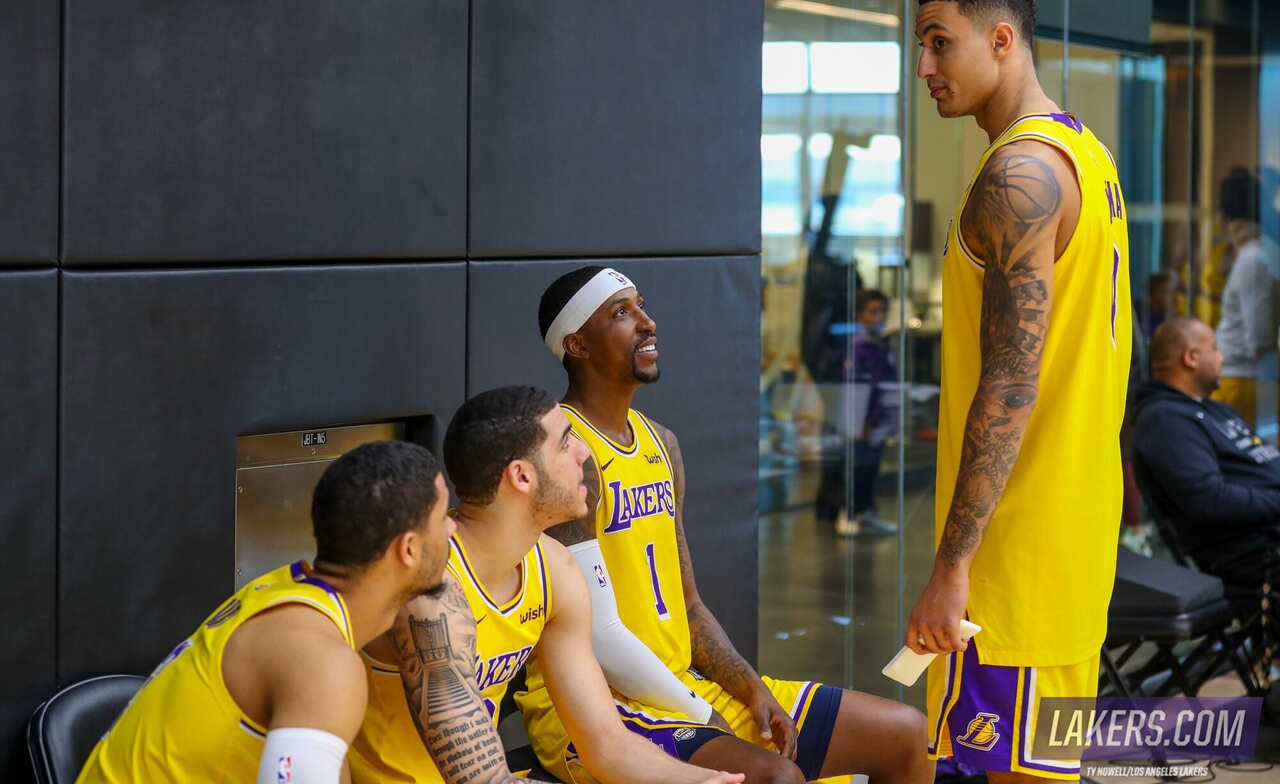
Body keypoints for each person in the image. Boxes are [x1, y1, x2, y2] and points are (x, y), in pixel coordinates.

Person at [528, 265, 933, 784]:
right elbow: (599, 641)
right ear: (578, 345)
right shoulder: (567, 453)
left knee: (906, 735)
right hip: (595, 704)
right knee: (775, 778)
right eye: (622, 313)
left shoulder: (661, 443)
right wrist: (704, 714)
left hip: (678, 683)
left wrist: (751, 690)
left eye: (642, 306)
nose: (648, 323)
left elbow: (689, 604)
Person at [907, 0, 1132, 781]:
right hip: (1069, 551)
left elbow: (1011, 380)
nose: (925, 66)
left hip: (1012, 566)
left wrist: (952, 567)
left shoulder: (1019, 172)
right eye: (919, 45)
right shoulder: (1087, 155)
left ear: (1002, 39)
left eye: (940, 42)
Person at [349, 386, 744, 784]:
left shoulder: (554, 569)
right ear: (521, 475)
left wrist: (699, 781)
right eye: (565, 442)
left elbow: (607, 744)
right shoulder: (430, 587)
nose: (584, 453)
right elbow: (480, 781)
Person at [78, 440, 456, 784]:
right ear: (408, 549)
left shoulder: (281, 593)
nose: (453, 528)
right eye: (442, 518)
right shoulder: (321, 661)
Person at [1132, 318, 1280, 587]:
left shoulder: (1217, 410)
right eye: (1215, 348)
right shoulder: (1165, 420)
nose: (1222, 357)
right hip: (1255, 552)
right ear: (1191, 358)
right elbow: (1211, 499)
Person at [1212, 167, 1280, 429]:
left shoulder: (1252, 258)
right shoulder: (1257, 253)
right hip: (1244, 379)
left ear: (1226, 217)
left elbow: (1260, 336)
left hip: (1242, 382)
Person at [833, 288, 900, 537]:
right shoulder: (859, 348)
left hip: (880, 420)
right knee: (856, 469)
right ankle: (848, 512)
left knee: (871, 468)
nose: (878, 316)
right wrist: (861, 422)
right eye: (872, 312)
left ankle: (867, 511)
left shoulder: (881, 345)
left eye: (882, 311)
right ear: (860, 315)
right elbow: (856, 389)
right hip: (862, 422)